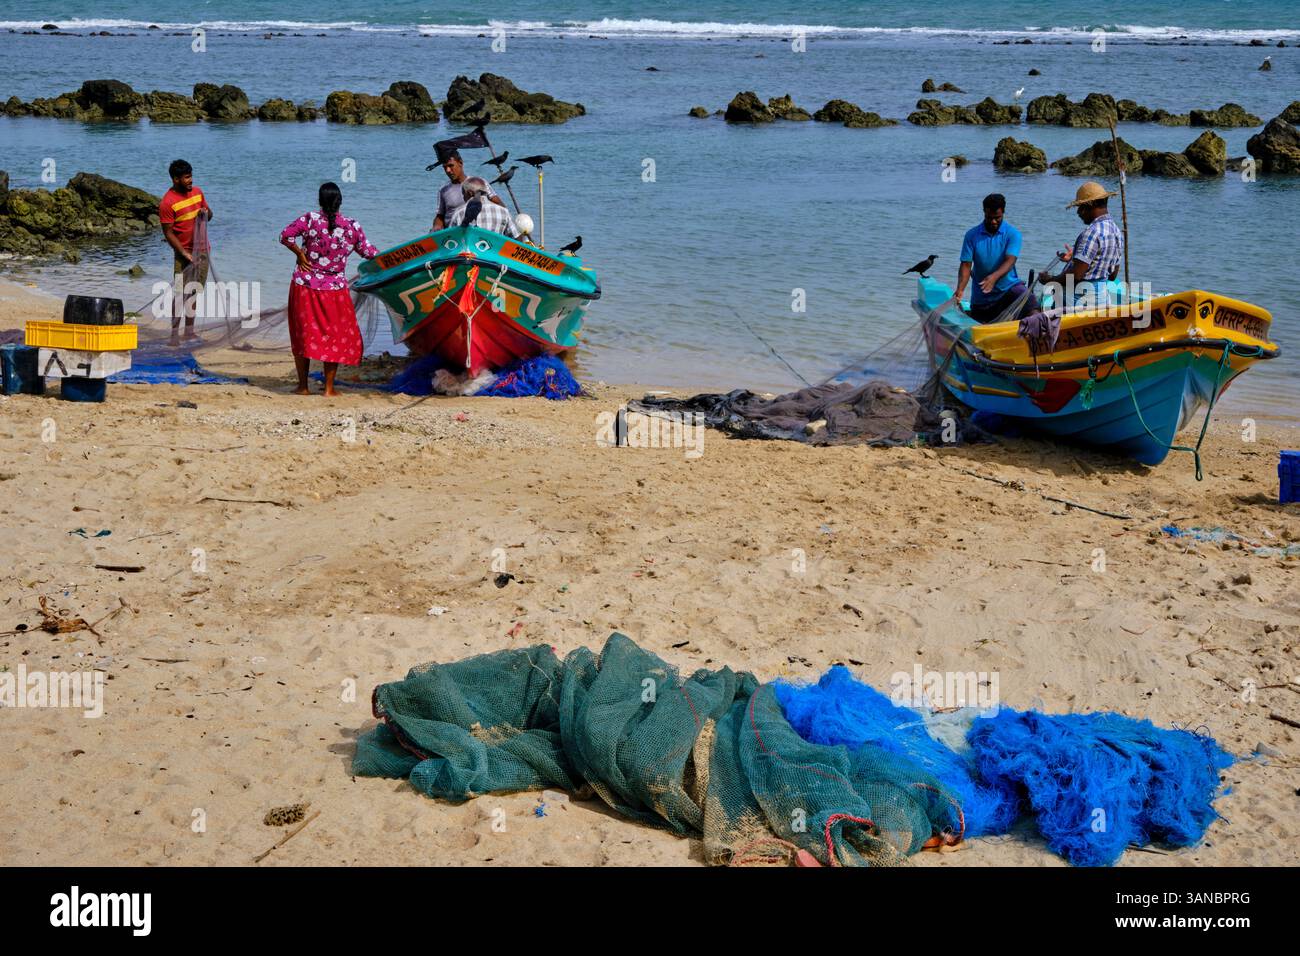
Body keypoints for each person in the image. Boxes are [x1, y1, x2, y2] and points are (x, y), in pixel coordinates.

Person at [279, 183, 378, 397]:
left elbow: (285, 236)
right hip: (335, 290)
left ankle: (303, 387)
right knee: (334, 336)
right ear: (340, 202)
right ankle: (329, 389)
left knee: (303, 334)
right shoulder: (352, 226)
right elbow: (369, 252)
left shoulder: (310, 219)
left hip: (305, 285)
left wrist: (299, 253)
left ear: (319, 201)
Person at [1044, 181, 1124, 310]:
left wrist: (1050, 280)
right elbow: (1112, 274)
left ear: (1090, 204)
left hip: (1076, 304)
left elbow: (1077, 275)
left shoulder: (1091, 233)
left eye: (1080, 207)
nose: (1078, 212)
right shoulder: (1116, 232)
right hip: (1101, 302)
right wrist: (1073, 260)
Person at [158, 159, 212, 344]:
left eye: (191, 176)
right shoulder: (167, 202)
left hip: (203, 251)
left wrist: (205, 212)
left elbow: (210, 215)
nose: (190, 180)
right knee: (181, 294)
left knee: (194, 291)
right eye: (187, 177)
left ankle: (189, 332)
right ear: (175, 179)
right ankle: (174, 335)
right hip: (183, 255)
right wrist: (183, 253)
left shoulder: (197, 192)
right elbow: (168, 233)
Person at [955, 193, 1030, 323]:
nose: (993, 221)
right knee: (981, 325)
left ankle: (1037, 334)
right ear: (984, 212)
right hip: (982, 296)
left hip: (1008, 289)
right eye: (989, 217)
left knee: (1029, 299)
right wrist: (960, 290)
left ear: (1003, 213)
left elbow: (1010, 260)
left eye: (997, 217)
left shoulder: (1012, 234)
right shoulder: (971, 235)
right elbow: (966, 265)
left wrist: (994, 277)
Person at [432, 148, 505, 231]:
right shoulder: (443, 190)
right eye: (444, 167)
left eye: (451, 166)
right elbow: (440, 216)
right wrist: (436, 226)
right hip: (453, 234)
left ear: (460, 163)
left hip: (478, 231)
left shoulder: (479, 183)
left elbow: (500, 206)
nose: (448, 170)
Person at [447, 177, 521, 237]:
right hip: (494, 253)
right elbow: (517, 238)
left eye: (463, 194)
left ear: (470, 193)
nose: (463, 197)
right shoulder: (504, 211)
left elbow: (450, 237)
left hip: (467, 253)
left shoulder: (458, 212)